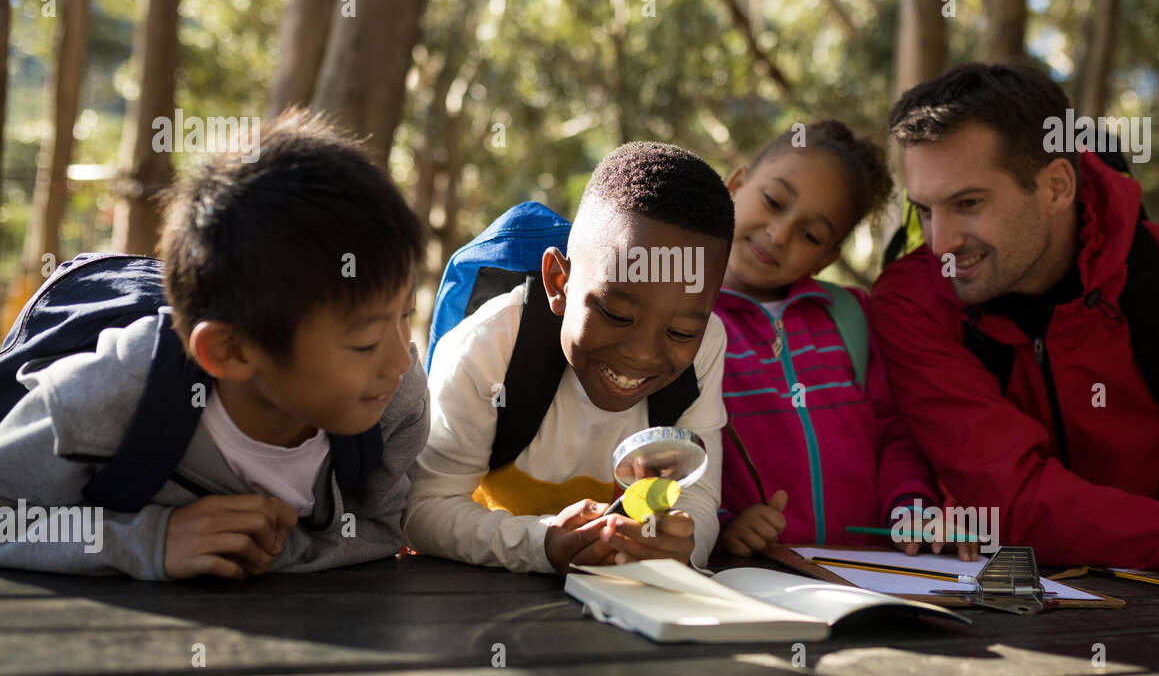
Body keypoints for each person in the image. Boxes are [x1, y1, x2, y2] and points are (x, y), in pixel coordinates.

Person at [871, 62, 1159, 587]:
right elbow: (1013, 503)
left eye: (968, 203)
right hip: (986, 609)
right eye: (925, 211)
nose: (940, 243)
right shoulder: (910, 298)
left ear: (1055, 187)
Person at [0, 111, 430, 580]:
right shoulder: (104, 397)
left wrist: (263, 550)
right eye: (365, 343)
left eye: (406, 315)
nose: (399, 359)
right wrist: (152, 539)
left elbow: (380, 529)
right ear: (230, 352)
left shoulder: (395, 405)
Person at [403, 142, 734, 574]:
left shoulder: (704, 350)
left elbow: (696, 497)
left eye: (680, 332)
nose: (641, 353)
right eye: (616, 314)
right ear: (559, 282)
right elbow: (422, 511)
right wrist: (543, 543)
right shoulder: (490, 350)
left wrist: (681, 548)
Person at [714, 121, 976, 559]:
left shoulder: (849, 317)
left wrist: (911, 505)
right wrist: (721, 524)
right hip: (749, 580)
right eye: (773, 201)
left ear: (828, 256)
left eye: (811, 235)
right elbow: (672, 445)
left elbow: (894, 432)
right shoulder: (684, 322)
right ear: (735, 185)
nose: (779, 235)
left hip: (872, 575)